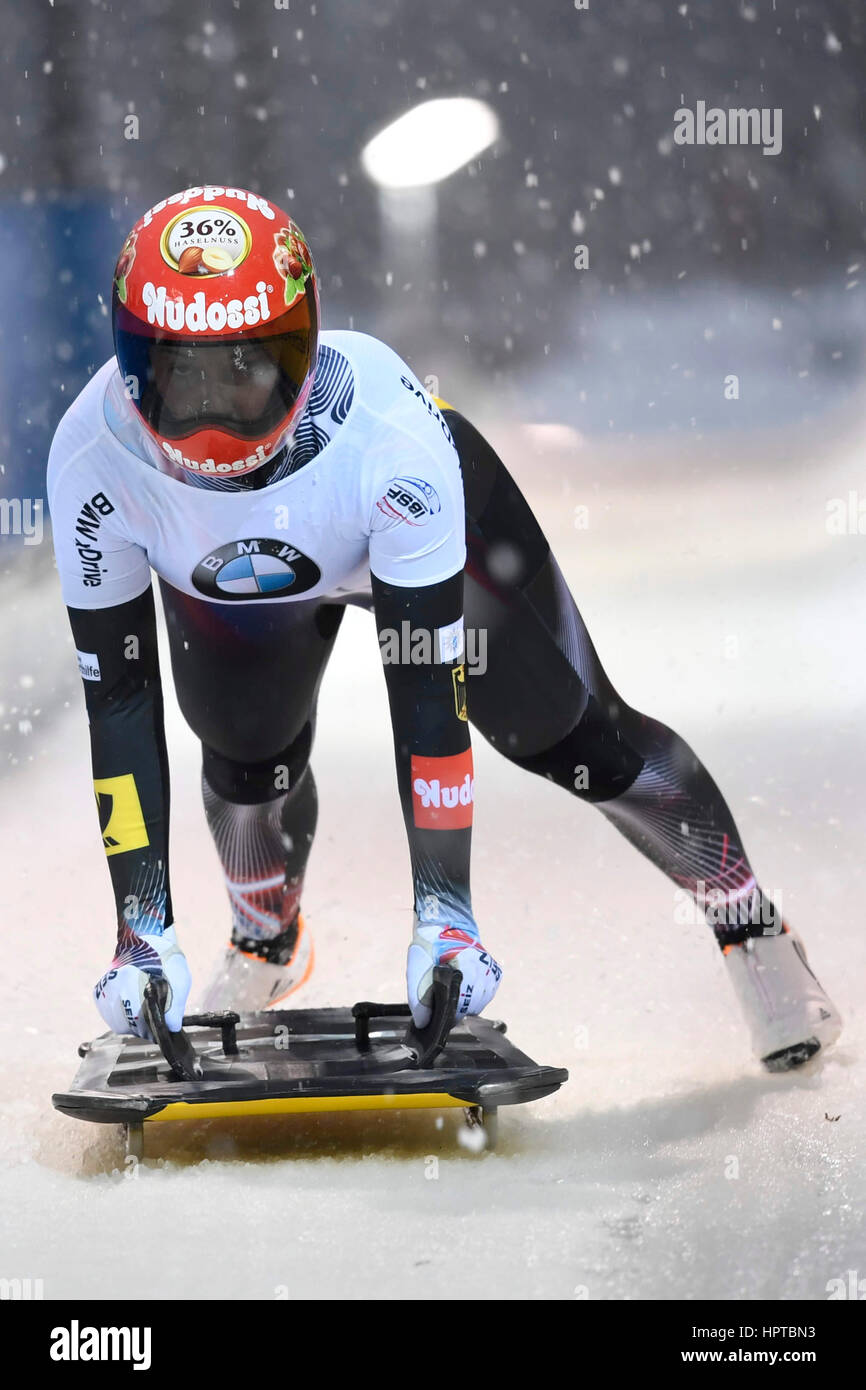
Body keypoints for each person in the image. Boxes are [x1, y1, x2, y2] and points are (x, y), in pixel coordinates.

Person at [46, 185, 841, 1072]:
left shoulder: (386, 434)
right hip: (244, 588)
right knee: (243, 759)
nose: (217, 417)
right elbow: (119, 701)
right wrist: (140, 931)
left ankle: (749, 926)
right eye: (185, 377)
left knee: (572, 738)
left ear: (300, 351)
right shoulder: (89, 456)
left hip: (423, 531)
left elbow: (428, 693)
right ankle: (266, 944)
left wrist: (446, 918)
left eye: (244, 372)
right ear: (131, 366)